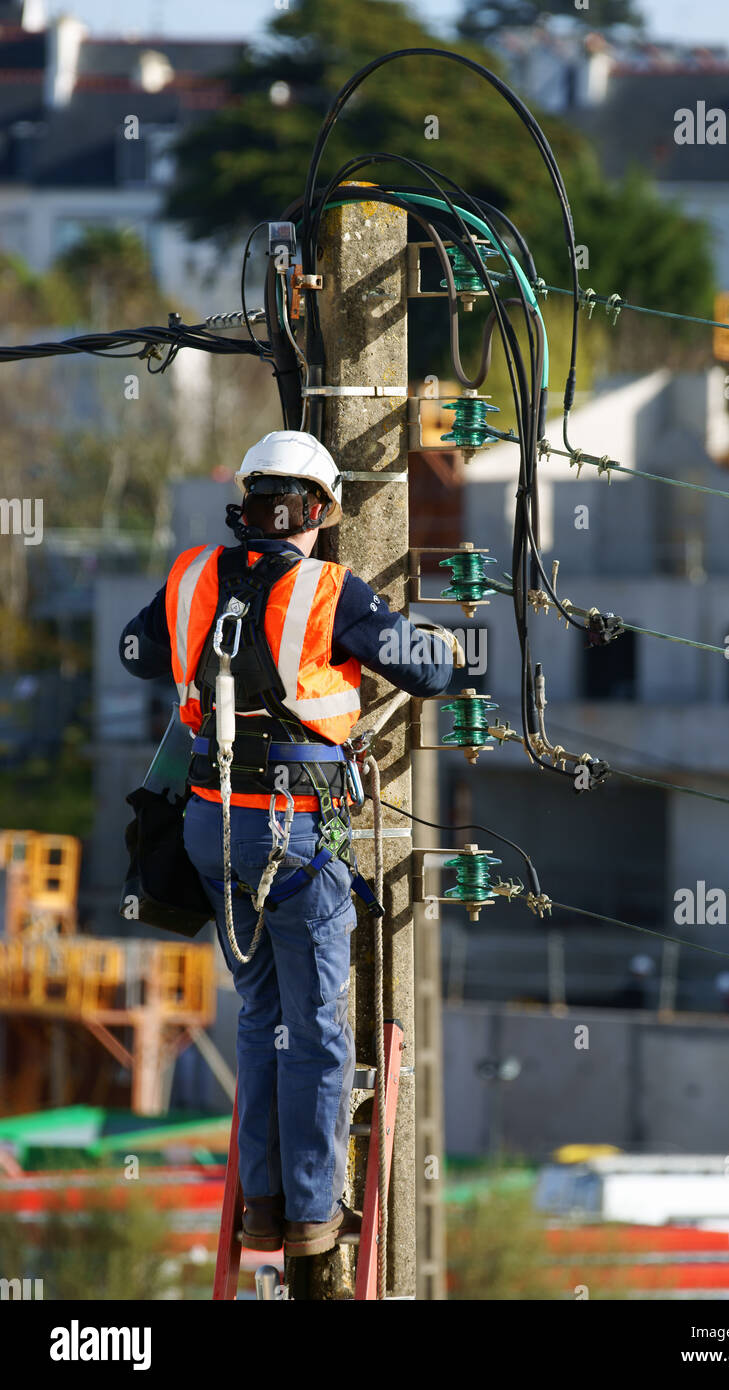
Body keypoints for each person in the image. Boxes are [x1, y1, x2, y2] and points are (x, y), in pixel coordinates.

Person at [119, 430, 455, 1255]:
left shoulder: (193, 575)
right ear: (318, 512)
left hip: (210, 826)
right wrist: (442, 644)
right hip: (292, 834)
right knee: (316, 1028)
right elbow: (429, 671)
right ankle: (311, 1213)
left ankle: (262, 1206)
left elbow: (135, 653)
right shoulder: (328, 590)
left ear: (247, 505)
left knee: (260, 1015)